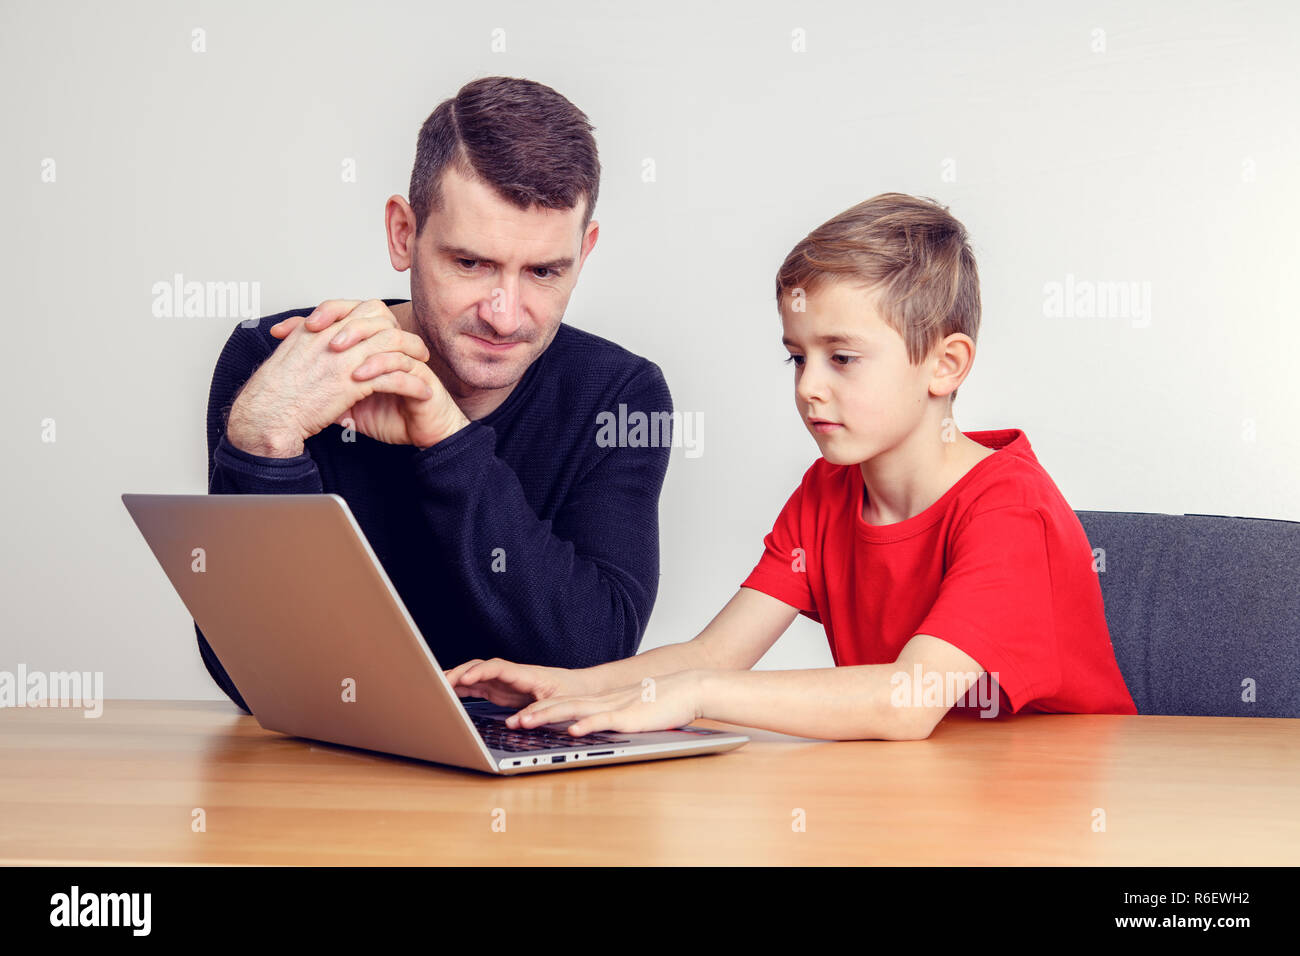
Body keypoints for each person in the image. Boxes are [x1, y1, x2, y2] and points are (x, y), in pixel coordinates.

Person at [446, 192, 1138, 740]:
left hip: (1056, 813)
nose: (808, 386)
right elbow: (716, 655)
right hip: (926, 803)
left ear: (945, 364)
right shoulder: (828, 492)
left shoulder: (1010, 509)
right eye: (796, 355)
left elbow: (905, 701)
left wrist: (699, 697)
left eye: (841, 357)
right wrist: (572, 687)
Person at [198, 76, 673, 714]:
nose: (505, 317)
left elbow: (594, 657)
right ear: (403, 233)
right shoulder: (283, 365)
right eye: (470, 264)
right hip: (321, 774)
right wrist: (264, 446)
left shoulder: (620, 398)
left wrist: (448, 441)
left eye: (543, 272)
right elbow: (252, 668)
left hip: (535, 794)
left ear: (583, 253)